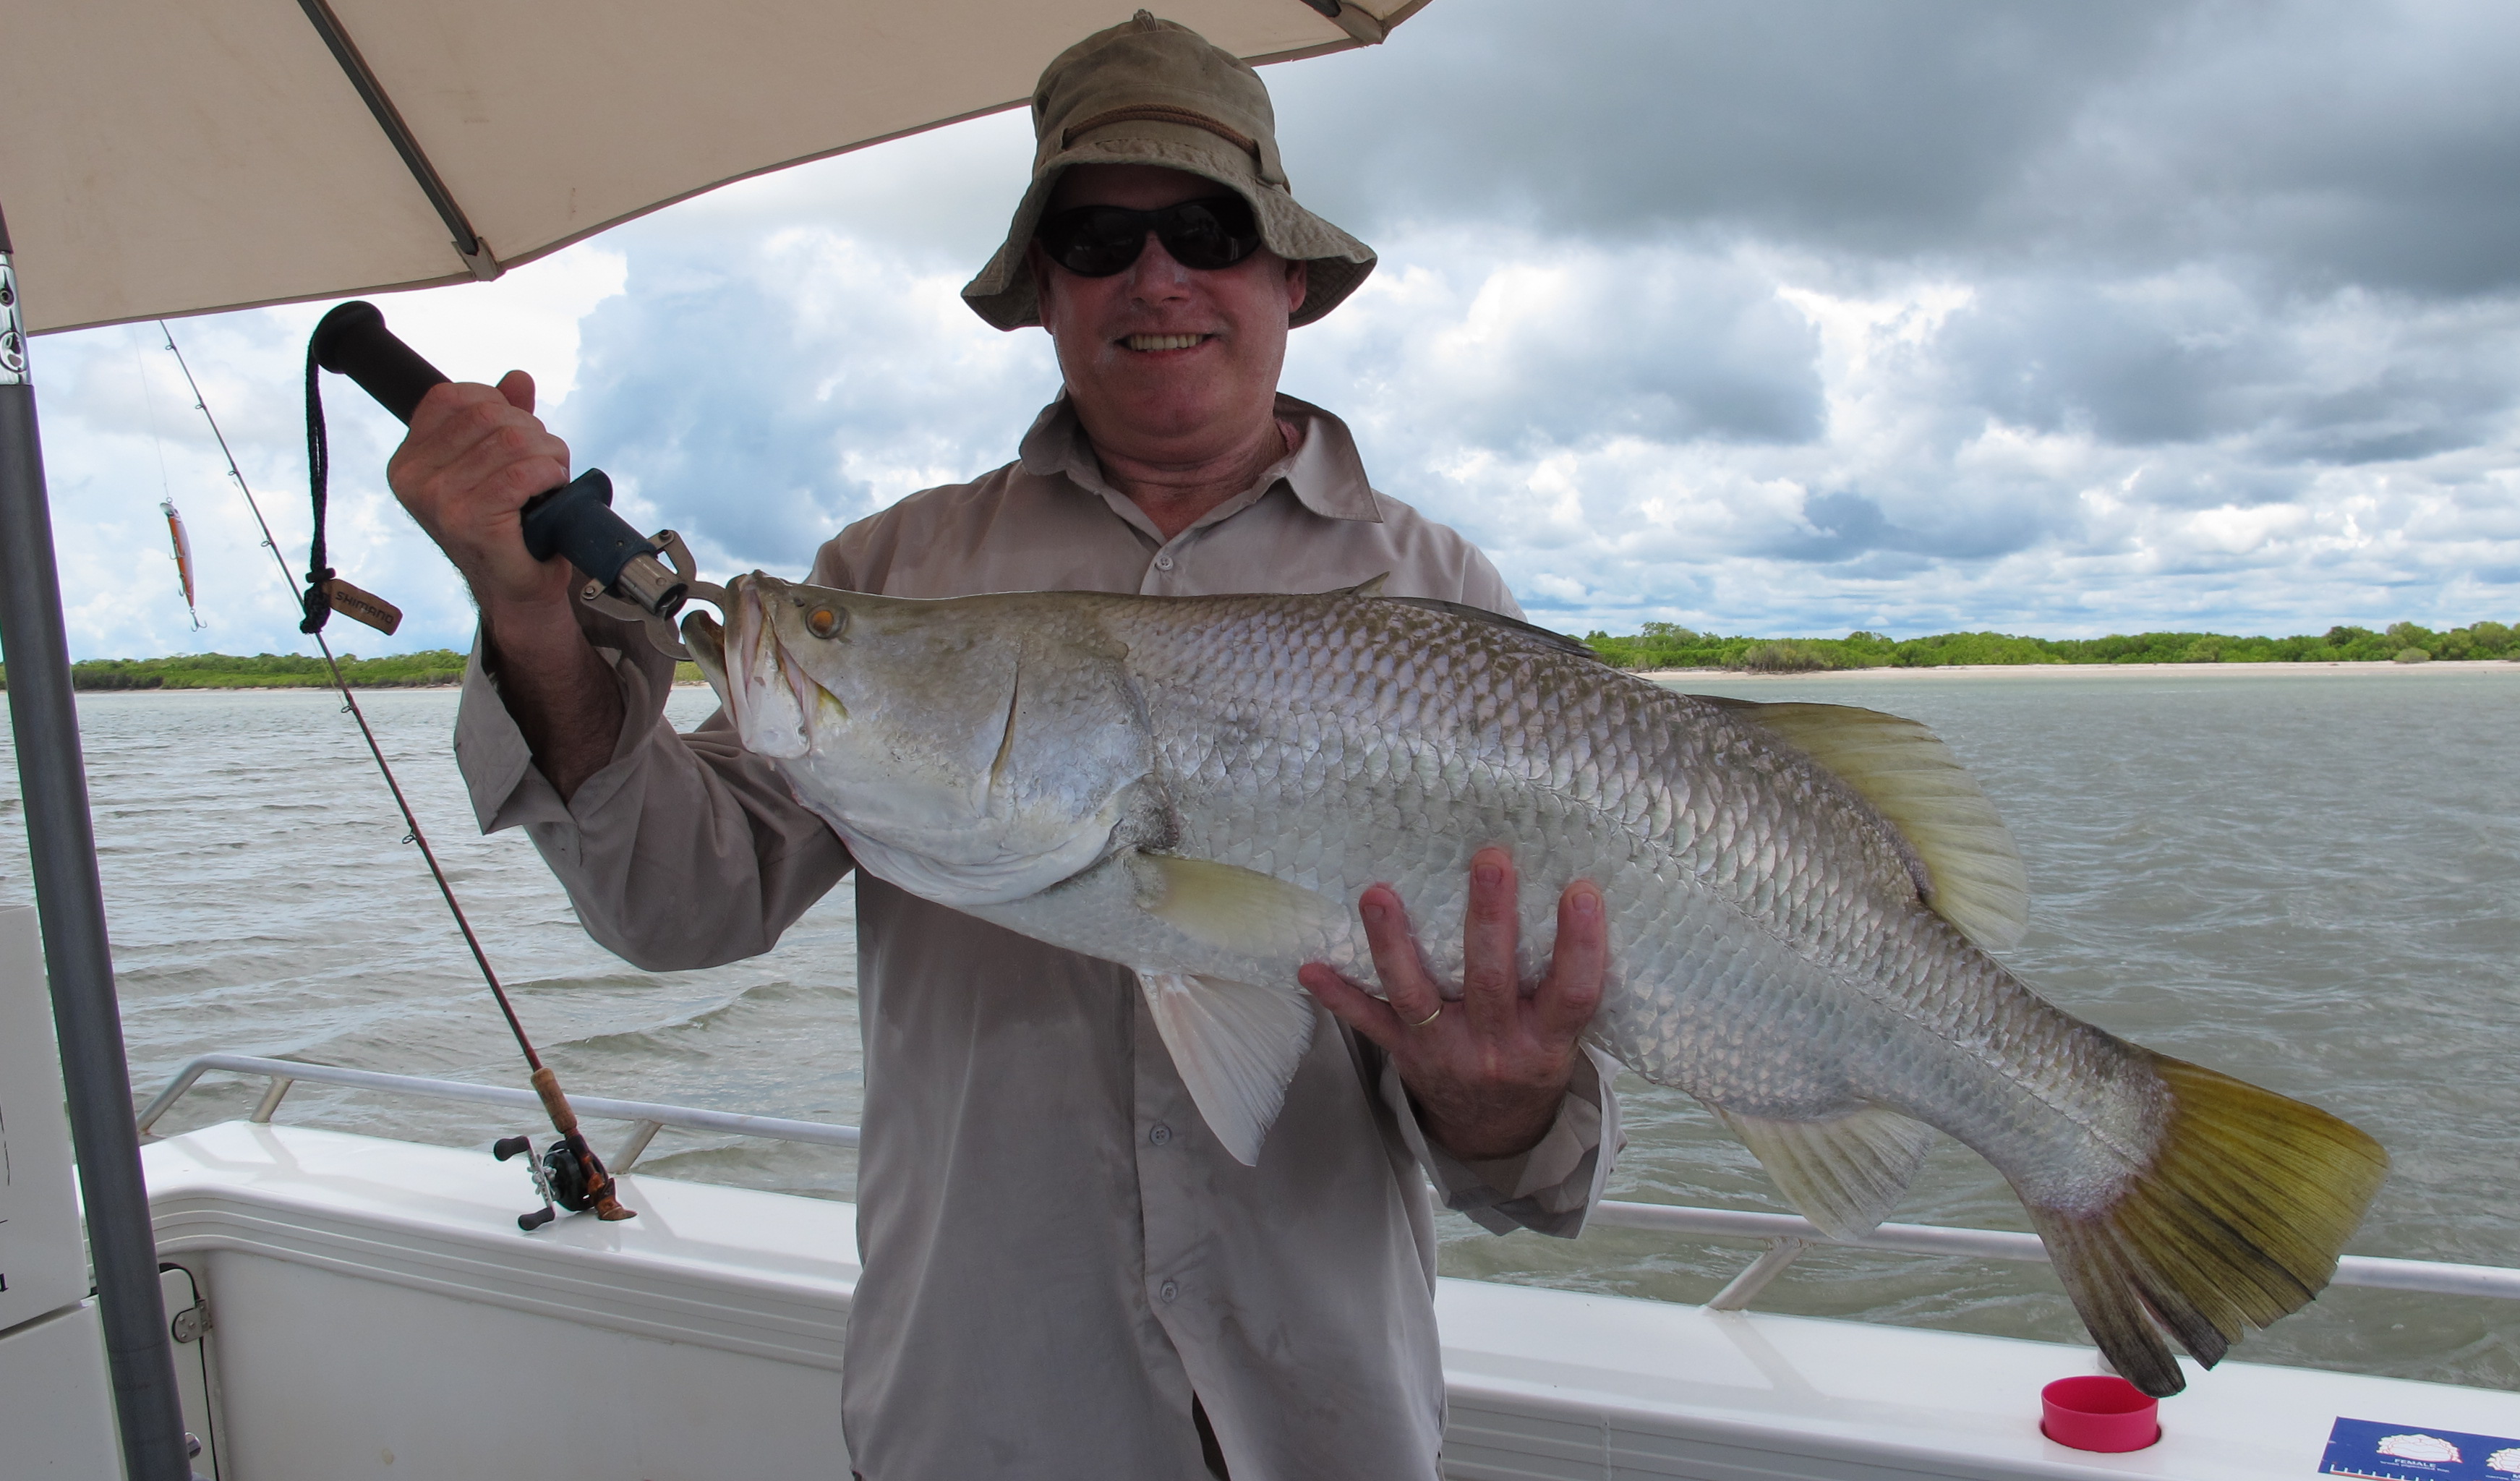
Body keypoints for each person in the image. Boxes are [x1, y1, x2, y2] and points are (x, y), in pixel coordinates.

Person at [396, 15, 1620, 1480]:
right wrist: (536, 627)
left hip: (1326, 1427)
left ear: (1288, 275)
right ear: (1046, 288)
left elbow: (1533, 1167)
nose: (1155, 274)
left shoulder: (1443, 595)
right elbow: (680, 898)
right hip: (979, 1422)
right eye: (1097, 237)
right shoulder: (898, 571)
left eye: (1206, 228)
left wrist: (1506, 1105)